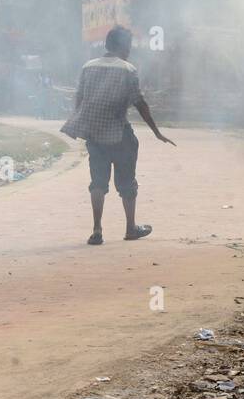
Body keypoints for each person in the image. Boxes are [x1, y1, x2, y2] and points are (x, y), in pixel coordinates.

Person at [60, 25, 175, 245]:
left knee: (98, 183)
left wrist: (78, 120)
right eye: (129, 46)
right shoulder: (127, 69)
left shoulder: (88, 67)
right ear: (123, 46)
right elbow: (140, 103)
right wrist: (156, 131)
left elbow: (80, 98)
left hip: (94, 134)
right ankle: (130, 228)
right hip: (119, 134)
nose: (130, 50)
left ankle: (97, 230)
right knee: (127, 182)